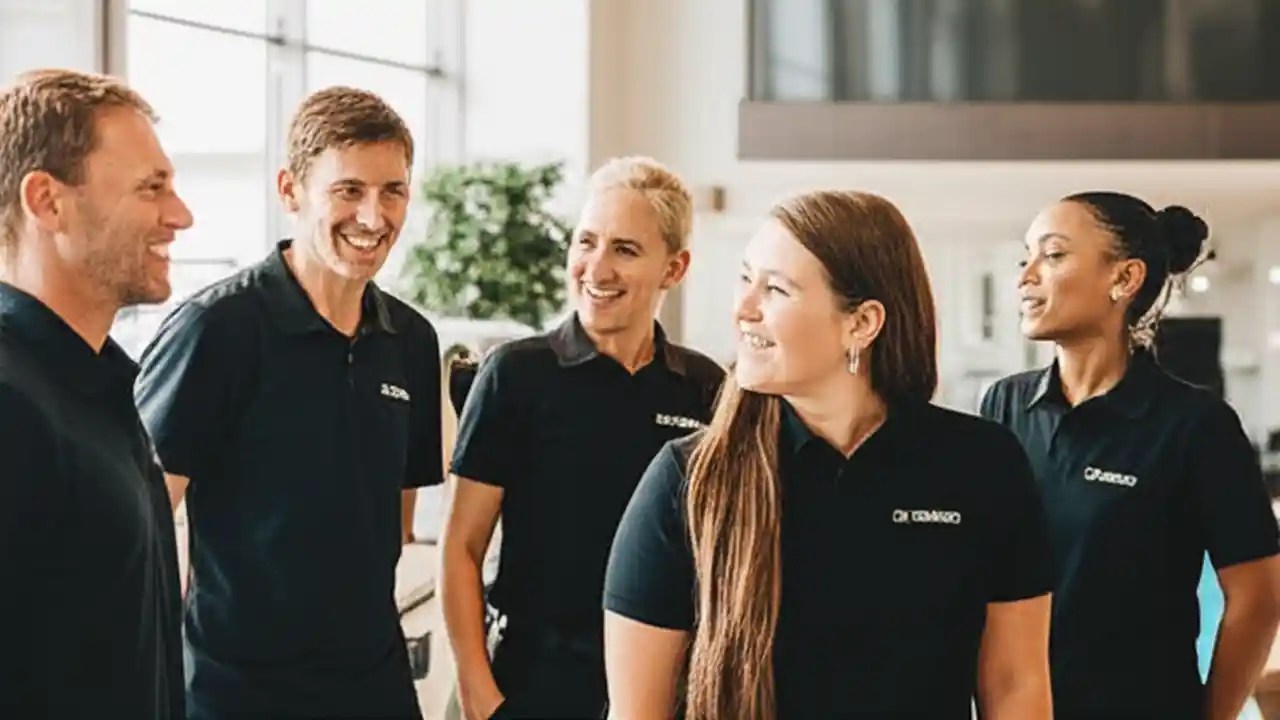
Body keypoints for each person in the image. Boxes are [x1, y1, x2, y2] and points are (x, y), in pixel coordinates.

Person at [604, 189, 1054, 719]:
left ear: (861, 323)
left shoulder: (982, 465)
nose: (745, 308)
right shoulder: (688, 480)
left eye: (775, 289)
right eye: (746, 279)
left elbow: (1016, 685)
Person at [134, 86, 442, 720]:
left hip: (373, 684)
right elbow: (136, 519)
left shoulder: (411, 340)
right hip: (238, 691)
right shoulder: (216, 329)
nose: (373, 215)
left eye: (393, 191)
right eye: (348, 190)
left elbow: (396, 517)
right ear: (290, 190)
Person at [441, 156, 725, 720]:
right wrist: (478, 691)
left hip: (658, 689)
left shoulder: (704, 389)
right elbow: (462, 546)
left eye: (625, 249)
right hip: (528, 682)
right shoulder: (516, 376)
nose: (596, 267)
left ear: (674, 267)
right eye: (586, 241)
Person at [980, 191, 1280, 719]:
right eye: (1024, 257)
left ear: (1125, 278)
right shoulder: (1005, 404)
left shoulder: (1195, 425)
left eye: (1052, 255)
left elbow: (1258, 599)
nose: (1026, 276)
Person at [0, 69, 192, 718]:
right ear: (48, 201)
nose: (180, 215)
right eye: (151, 188)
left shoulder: (98, 385)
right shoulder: (11, 403)